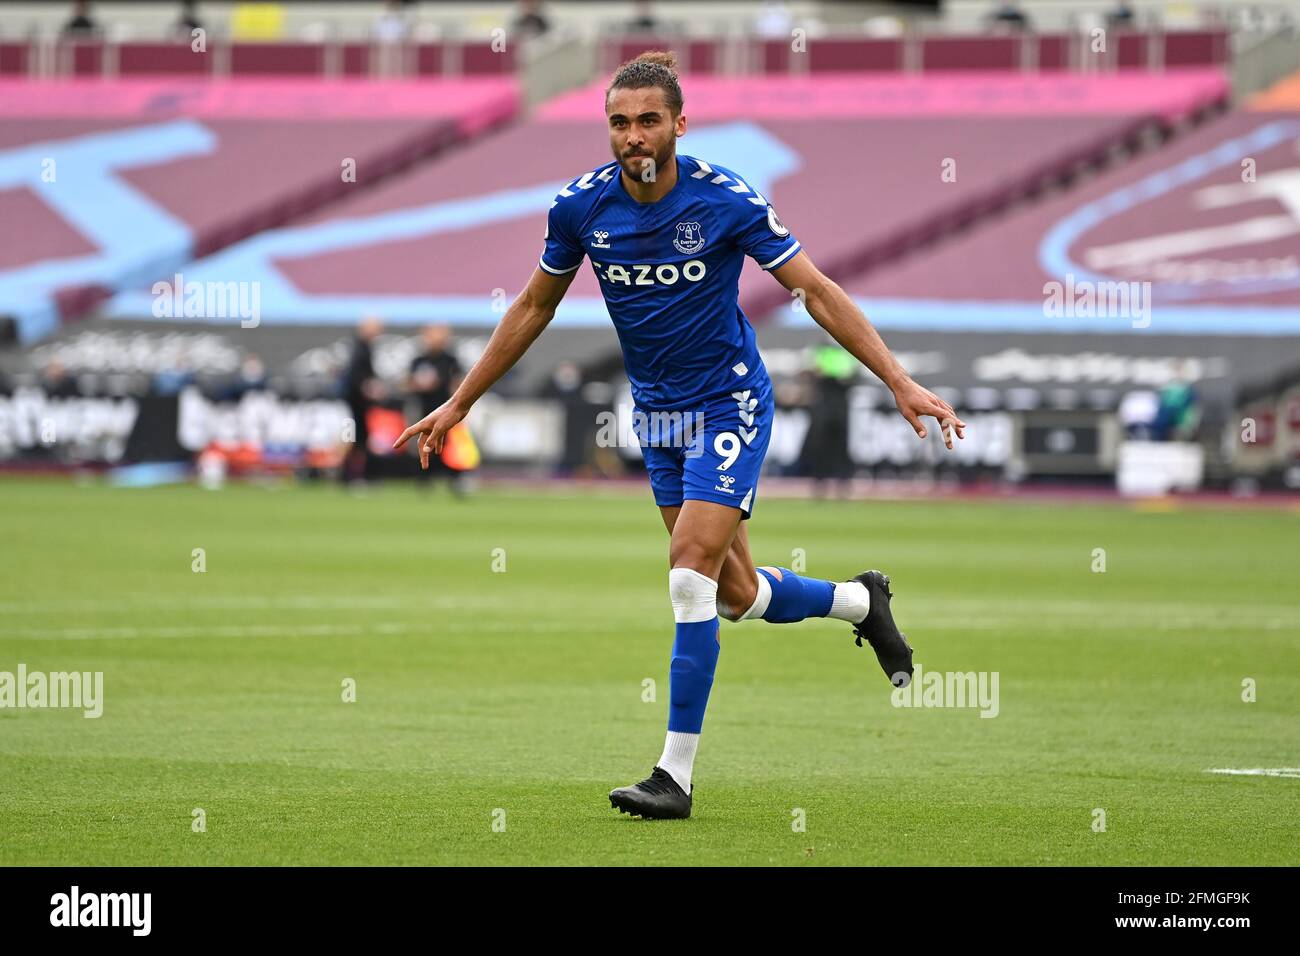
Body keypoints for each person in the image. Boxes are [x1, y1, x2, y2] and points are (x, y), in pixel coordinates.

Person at [394, 51, 965, 821]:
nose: (633, 136)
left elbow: (815, 291)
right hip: (658, 415)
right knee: (732, 596)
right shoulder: (579, 209)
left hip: (729, 404)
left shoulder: (724, 200)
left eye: (648, 121)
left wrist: (896, 378)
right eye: (620, 123)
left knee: (688, 572)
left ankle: (675, 775)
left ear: (679, 125)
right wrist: (461, 401)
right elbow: (534, 307)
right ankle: (861, 603)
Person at [405, 324, 464, 493]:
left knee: (450, 445)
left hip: (448, 410)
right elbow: (407, 383)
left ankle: (455, 479)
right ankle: (424, 479)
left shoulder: (450, 360)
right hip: (424, 409)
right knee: (425, 443)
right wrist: (419, 384)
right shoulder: (419, 360)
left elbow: (458, 383)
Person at [342, 316, 384, 485]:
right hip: (354, 403)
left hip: (358, 403)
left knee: (358, 439)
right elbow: (356, 377)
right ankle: (351, 476)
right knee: (354, 438)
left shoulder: (364, 348)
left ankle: (353, 476)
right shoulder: (360, 349)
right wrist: (368, 388)